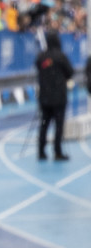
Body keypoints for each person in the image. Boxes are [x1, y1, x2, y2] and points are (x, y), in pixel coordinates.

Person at [35, 28, 74, 161]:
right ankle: (57, 152)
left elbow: (38, 69)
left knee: (44, 124)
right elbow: (70, 72)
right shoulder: (61, 57)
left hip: (44, 97)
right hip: (59, 97)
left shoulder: (41, 56)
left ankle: (41, 151)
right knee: (58, 125)